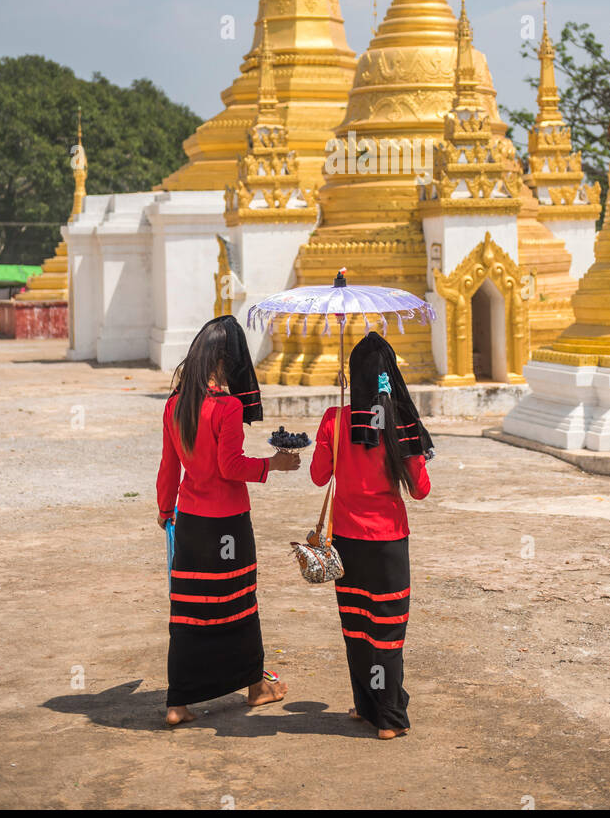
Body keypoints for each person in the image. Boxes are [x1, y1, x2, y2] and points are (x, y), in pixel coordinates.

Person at [156, 315, 299, 726]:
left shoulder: (174, 405)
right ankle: (256, 686)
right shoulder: (227, 407)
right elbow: (231, 466)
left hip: (190, 522)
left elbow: (169, 468)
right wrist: (275, 463)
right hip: (228, 523)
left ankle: (178, 702)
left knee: (188, 610)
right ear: (223, 363)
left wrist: (166, 510)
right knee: (238, 603)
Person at [310, 331, 433, 739]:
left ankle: (367, 706)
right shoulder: (401, 423)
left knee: (357, 626)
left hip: (347, 542)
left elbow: (317, 477)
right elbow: (420, 490)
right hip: (388, 542)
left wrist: (336, 425)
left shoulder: (335, 419)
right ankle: (390, 718)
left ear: (353, 376)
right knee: (387, 628)